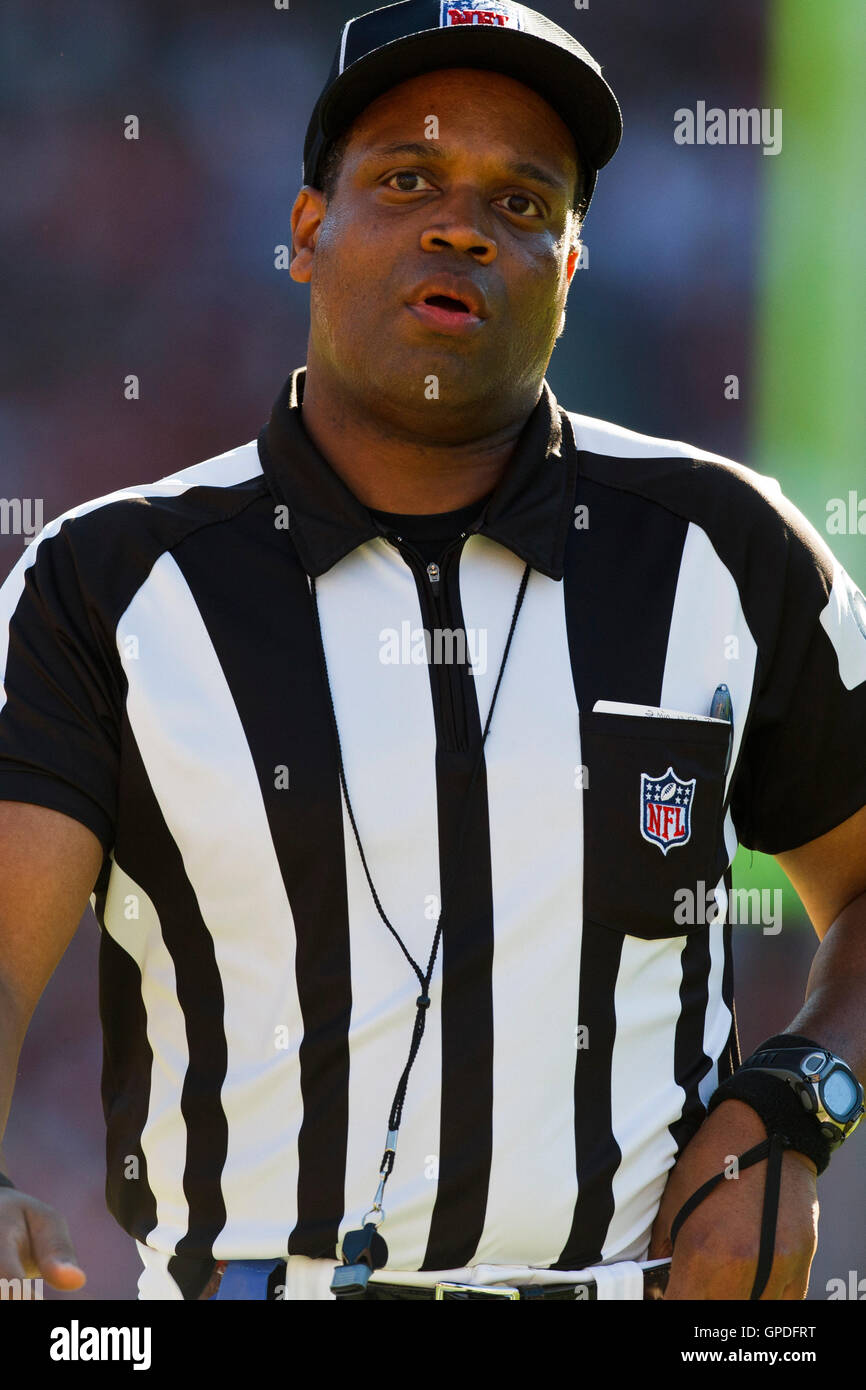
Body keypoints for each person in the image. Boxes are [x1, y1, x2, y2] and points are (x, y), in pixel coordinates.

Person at [1, 0, 865, 1303]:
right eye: (406, 179)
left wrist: (794, 1109)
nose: (464, 224)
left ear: (569, 270)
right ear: (305, 231)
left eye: (524, 204)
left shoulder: (725, 551)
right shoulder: (105, 579)